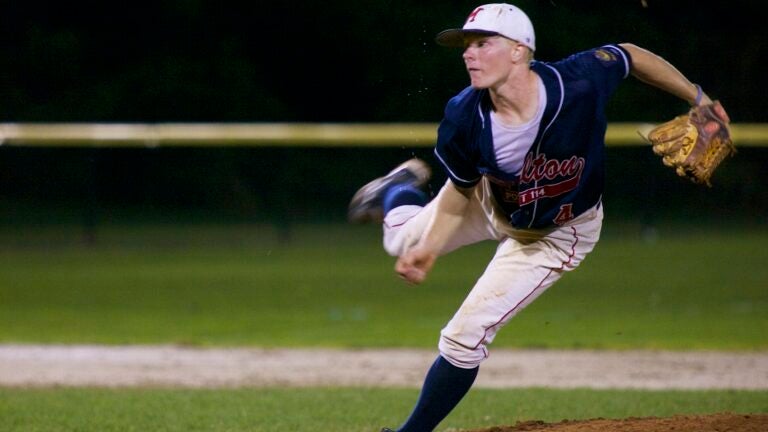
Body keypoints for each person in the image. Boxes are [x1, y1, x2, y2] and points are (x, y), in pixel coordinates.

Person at [347, 3, 730, 431]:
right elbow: (459, 191)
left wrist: (700, 99)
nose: (468, 54)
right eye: (465, 46)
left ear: (518, 51)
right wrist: (430, 249)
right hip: (489, 198)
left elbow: (630, 54)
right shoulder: (464, 115)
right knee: (400, 242)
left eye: (481, 43)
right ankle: (397, 190)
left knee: (463, 336)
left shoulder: (577, 83)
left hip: (555, 234)